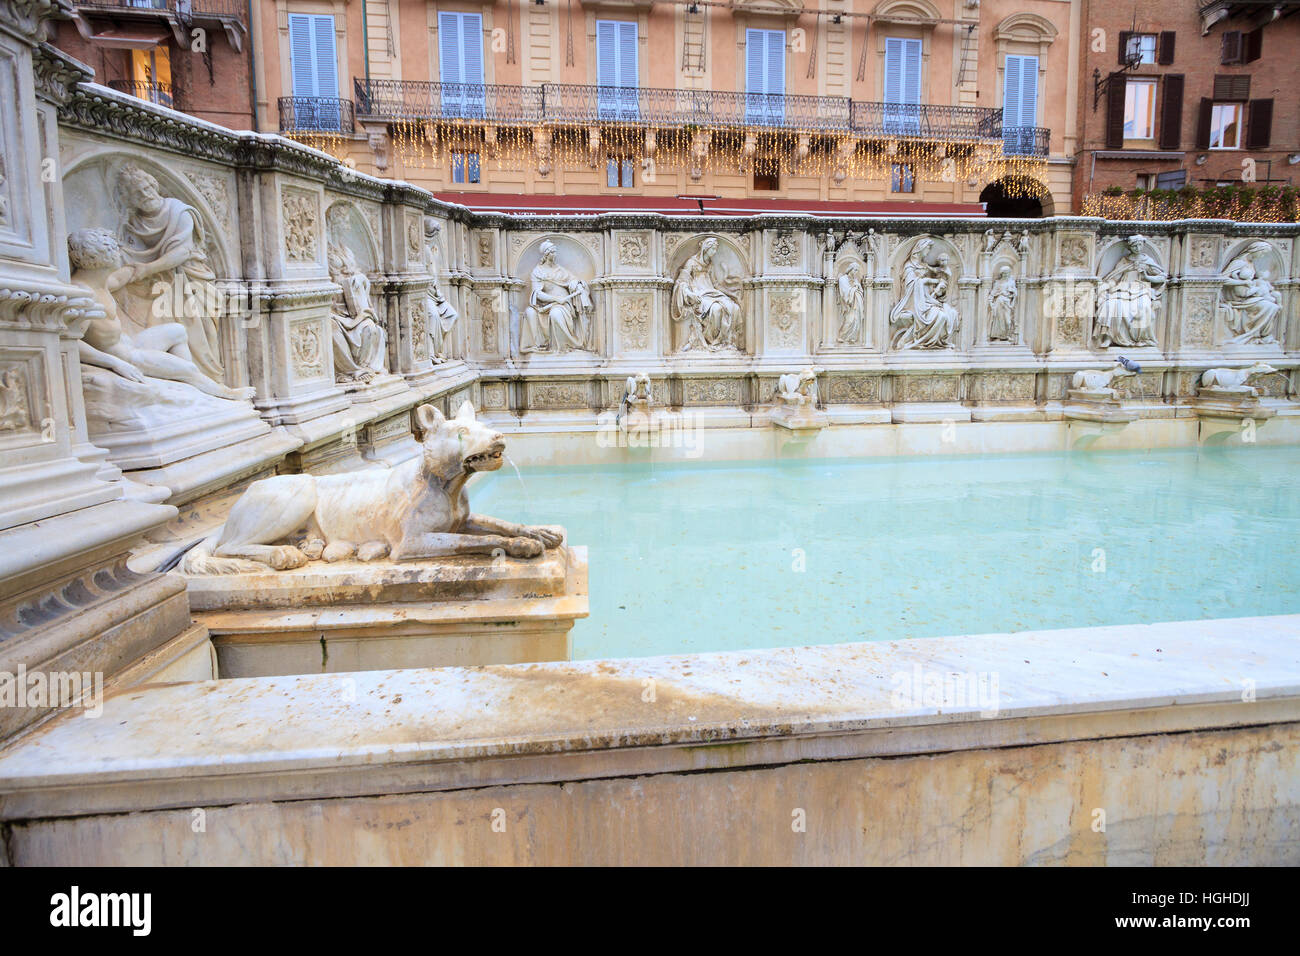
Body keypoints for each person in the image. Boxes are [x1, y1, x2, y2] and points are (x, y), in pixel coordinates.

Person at [67, 227, 253, 401]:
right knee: (187, 368)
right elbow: (70, 341)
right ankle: (224, 393)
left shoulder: (101, 283)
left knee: (177, 330)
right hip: (124, 356)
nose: (120, 254)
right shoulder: (84, 294)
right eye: (115, 250)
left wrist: (163, 261)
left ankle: (185, 385)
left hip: (129, 344)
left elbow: (131, 274)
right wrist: (114, 363)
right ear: (99, 257)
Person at [114, 164, 223, 380]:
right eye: (137, 193)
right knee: (159, 325)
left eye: (146, 188)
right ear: (131, 200)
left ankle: (208, 378)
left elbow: (182, 252)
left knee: (201, 333)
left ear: (154, 185)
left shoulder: (179, 211)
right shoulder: (134, 222)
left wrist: (146, 269)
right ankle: (174, 378)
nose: (145, 195)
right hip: (157, 284)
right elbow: (129, 253)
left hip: (191, 279)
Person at [327, 244, 388, 382]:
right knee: (330, 327)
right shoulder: (322, 254)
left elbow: (357, 276)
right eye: (340, 273)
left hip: (351, 315)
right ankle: (352, 370)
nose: (345, 275)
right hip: (332, 312)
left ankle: (366, 367)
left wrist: (360, 279)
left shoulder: (344, 249)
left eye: (347, 273)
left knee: (371, 328)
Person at [521, 240, 593, 353]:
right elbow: (537, 293)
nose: (555, 255)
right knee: (530, 311)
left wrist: (578, 285)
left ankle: (563, 348)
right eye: (553, 252)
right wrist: (555, 299)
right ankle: (540, 345)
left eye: (555, 252)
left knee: (556, 314)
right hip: (546, 304)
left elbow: (572, 280)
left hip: (563, 304)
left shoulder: (560, 270)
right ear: (546, 254)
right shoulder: (537, 271)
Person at [670, 237, 741, 350]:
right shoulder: (691, 263)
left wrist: (731, 294)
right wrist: (690, 294)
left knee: (734, 307)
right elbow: (682, 281)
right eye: (713, 249)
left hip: (712, 292)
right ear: (705, 249)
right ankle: (712, 340)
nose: (714, 252)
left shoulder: (710, 264)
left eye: (715, 249)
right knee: (716, 309)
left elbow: (715, 284)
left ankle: (726, 341)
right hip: (699, 294)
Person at [1094, 236, 1163, 348]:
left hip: (1141, 290)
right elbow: (1114, 278)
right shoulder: (1124, 261)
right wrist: (1105, 285)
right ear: (1130, 247)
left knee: (1144, 307)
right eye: (1134, 245)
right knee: (1110, 305)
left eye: (1139, 245)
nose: (1137, 247)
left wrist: (1147, 276)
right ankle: (1108, 336)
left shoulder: (1147, 261)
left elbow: (1161, 277)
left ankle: (1142, 339)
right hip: (1123, 289)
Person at [1220, 241, 1281, 344]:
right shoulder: (1239, 263)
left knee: (1273, 305)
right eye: (1262, 253)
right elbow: (1223, 279)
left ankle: (1262, 335)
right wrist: (1242, 282)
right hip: (1238, 298)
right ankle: (1252, 334)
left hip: (1249, 296)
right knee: (1270, 307)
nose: (1262, 256)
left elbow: (1254, 280)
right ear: (1255, 250)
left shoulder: (1251, 263)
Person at [422, 218, 460, 361]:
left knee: (452, 314)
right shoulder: (422, 250)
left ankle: (437, 348)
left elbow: (434, 277)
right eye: (434, 234)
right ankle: (430, 353)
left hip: (435, 295)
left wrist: (439, 295)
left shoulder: (430, 250)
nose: (435, 237)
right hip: (424, 294)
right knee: (433, 316)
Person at [988, 266, 1017, 342]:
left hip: (1007, 303)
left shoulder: (1011, 282)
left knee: (1008, 321)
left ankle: (1007, 335)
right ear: (1002, 274)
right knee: (999, 320)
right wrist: (991, 303)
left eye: (1007, 273)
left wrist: (1013, 293)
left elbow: (1015, 294)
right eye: (1005, 273)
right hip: (999, 301)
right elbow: (992, 294)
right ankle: (998, 336)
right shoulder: (998, 283)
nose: (1006, 275)